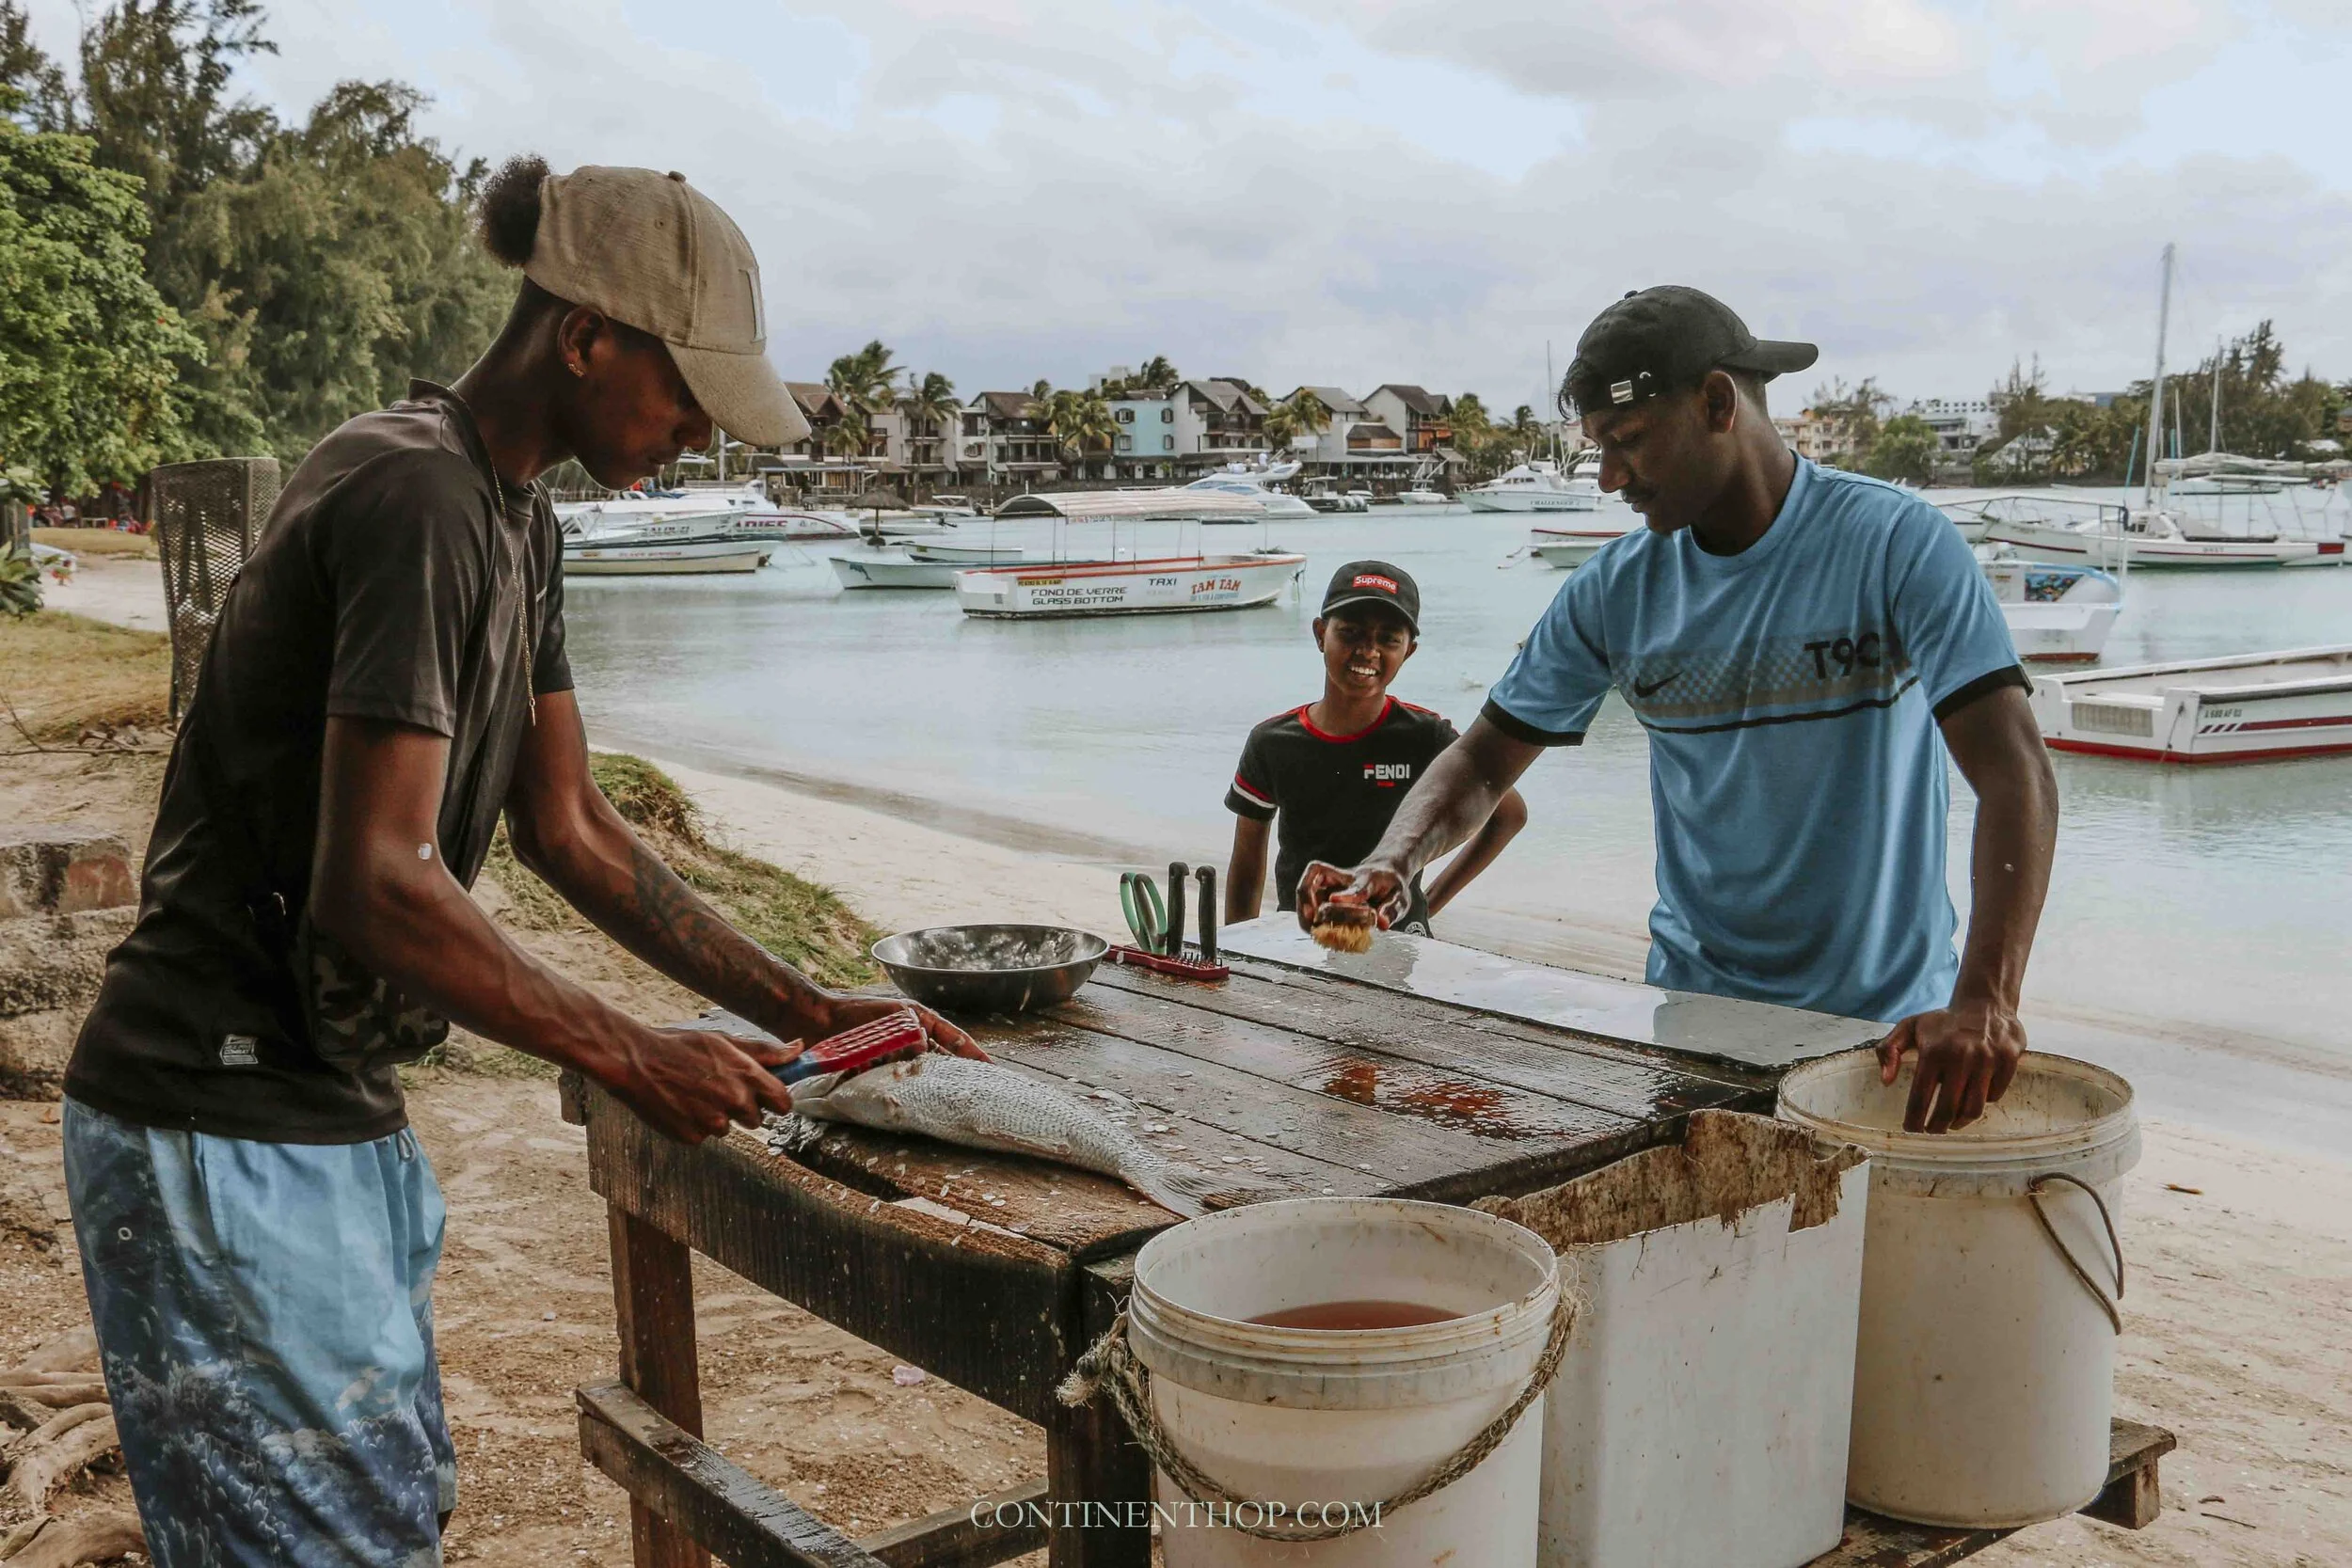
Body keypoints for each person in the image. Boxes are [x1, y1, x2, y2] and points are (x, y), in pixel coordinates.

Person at [61, 156, 978, 1563]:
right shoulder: (413, 493)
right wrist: (630, 1050)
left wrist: (806, 1006)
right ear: (586, 336)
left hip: (329, 1102)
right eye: (685, 391)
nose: (697, 435)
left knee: (386, 1518)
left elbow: (573, 825)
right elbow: (373, 877)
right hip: (214, 1112)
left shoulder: (517, 519)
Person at [1298, 287, 2058, 1135]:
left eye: (1626, 442)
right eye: (1597, 449)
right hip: (1691, 1028)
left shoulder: (1896, 544)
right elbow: (1481, 762)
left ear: (1719, 403)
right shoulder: (1617, 591)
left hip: (1883, 1038)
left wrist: (1986, 995)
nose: (1608, 477)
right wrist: (1393, 862)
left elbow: (2014, 771)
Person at [1226, 560, 1526, 933]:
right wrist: (1235, 949)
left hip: (1398, 942)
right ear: (1321, 634)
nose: (1368, 651)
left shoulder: (1425, 737)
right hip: (1302, 939)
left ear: (1409, 651)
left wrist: (1427, 904)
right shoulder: (1272, 742)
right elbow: (1246, 868)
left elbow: (1508, 814)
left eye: (1388, 639)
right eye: (1350, 633)